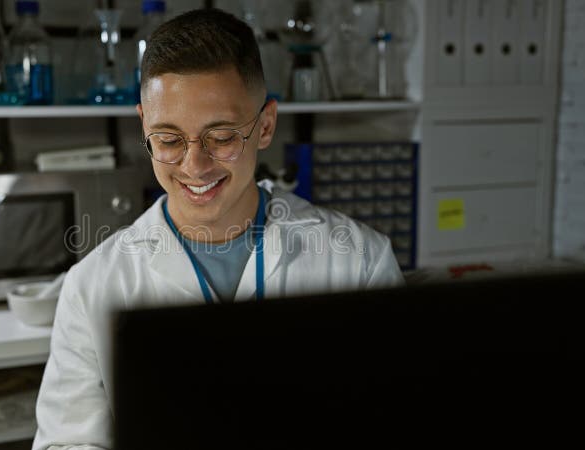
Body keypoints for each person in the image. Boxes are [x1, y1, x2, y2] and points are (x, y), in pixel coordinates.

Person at [33, 8, 404, 450]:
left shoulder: (359, 262)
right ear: (143, 126)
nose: (194, 165)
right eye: (169, 139)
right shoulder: (92, 287)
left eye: (222, 136)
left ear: (265, 126)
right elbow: (67, 442)